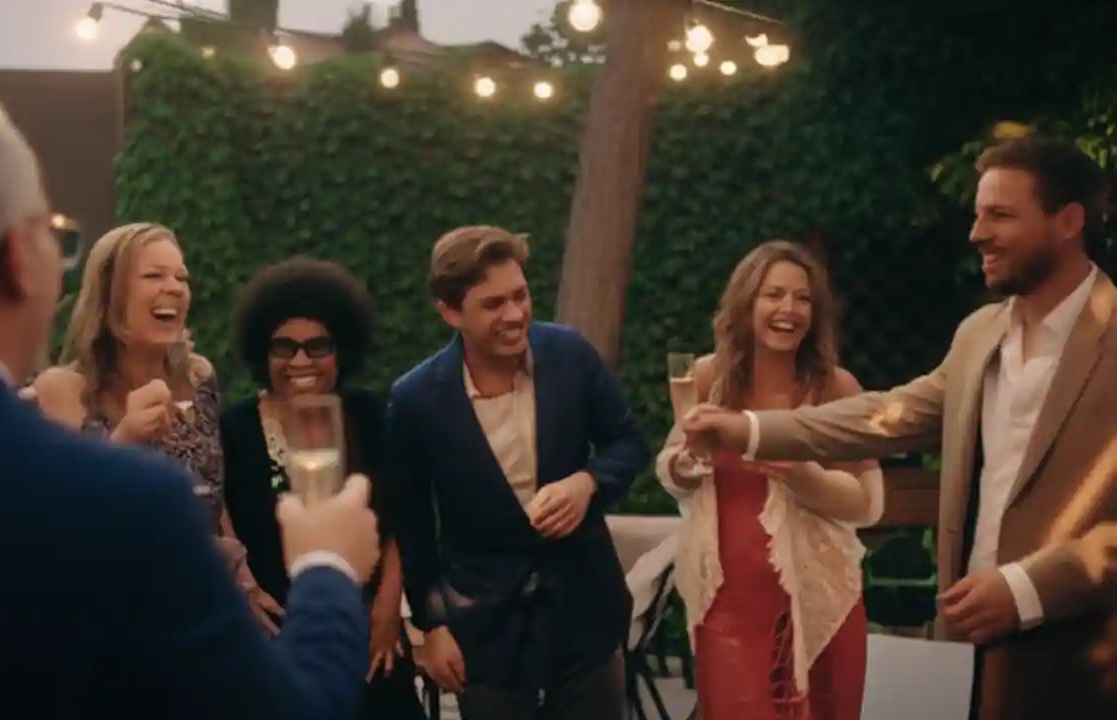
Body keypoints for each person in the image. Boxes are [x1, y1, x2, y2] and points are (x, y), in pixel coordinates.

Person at [0, 81, 379, 718]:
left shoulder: (194, 387)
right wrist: (327, 564)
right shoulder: (120, 497)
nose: (174, 287)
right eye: (54, 234)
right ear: (17, 259)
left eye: (182, 276)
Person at [680, 136, 1117, 720]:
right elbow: (885, 416)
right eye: (977, 214)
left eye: (1000, 215)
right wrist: (750, 430)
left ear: (1068, 221)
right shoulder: (980, 334)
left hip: (1089, 658)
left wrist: (1026, 589)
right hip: (974, 646)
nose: (976, 233)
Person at [386, 226, 650, 720]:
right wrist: (430, 626)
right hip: (484, 629)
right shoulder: (415, 400)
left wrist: (587, 482)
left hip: (587, 612)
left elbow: (629, 442)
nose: (514, 315)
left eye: (520, 295)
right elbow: (413, 522)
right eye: (492, 304)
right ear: (449, 311)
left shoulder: (570, 354)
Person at [657, 240, 882, 720]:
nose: (789, 309)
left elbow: (868, 503)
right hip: (728, 605)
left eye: (802, 298)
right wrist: (689, 462)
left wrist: (801, 475)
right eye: (773, 294)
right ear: (747, 303)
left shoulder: (836, 388)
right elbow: (675, 473)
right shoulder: (707, 378)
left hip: (820, 599)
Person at [28, 223, 271, 624]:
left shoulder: (199, 376)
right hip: (115, 608)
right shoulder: (64, 390)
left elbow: (210, 491)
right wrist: (126, 438)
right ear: (110, 294)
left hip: (202, 602)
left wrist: (243, 576)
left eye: (182, 277)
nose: (175, 287)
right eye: (154, 275)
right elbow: (64, 515)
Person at [221, 256, 427, 720]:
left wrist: (389, 607)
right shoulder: (234, 429)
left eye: (317, 347)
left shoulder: (367, 415)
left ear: (342, 351)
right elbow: (224, 523)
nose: (300, 361)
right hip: (278, 634)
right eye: (284, 347)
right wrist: (249, 593)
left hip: (371, 631)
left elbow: (397, 518)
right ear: (261, 352)